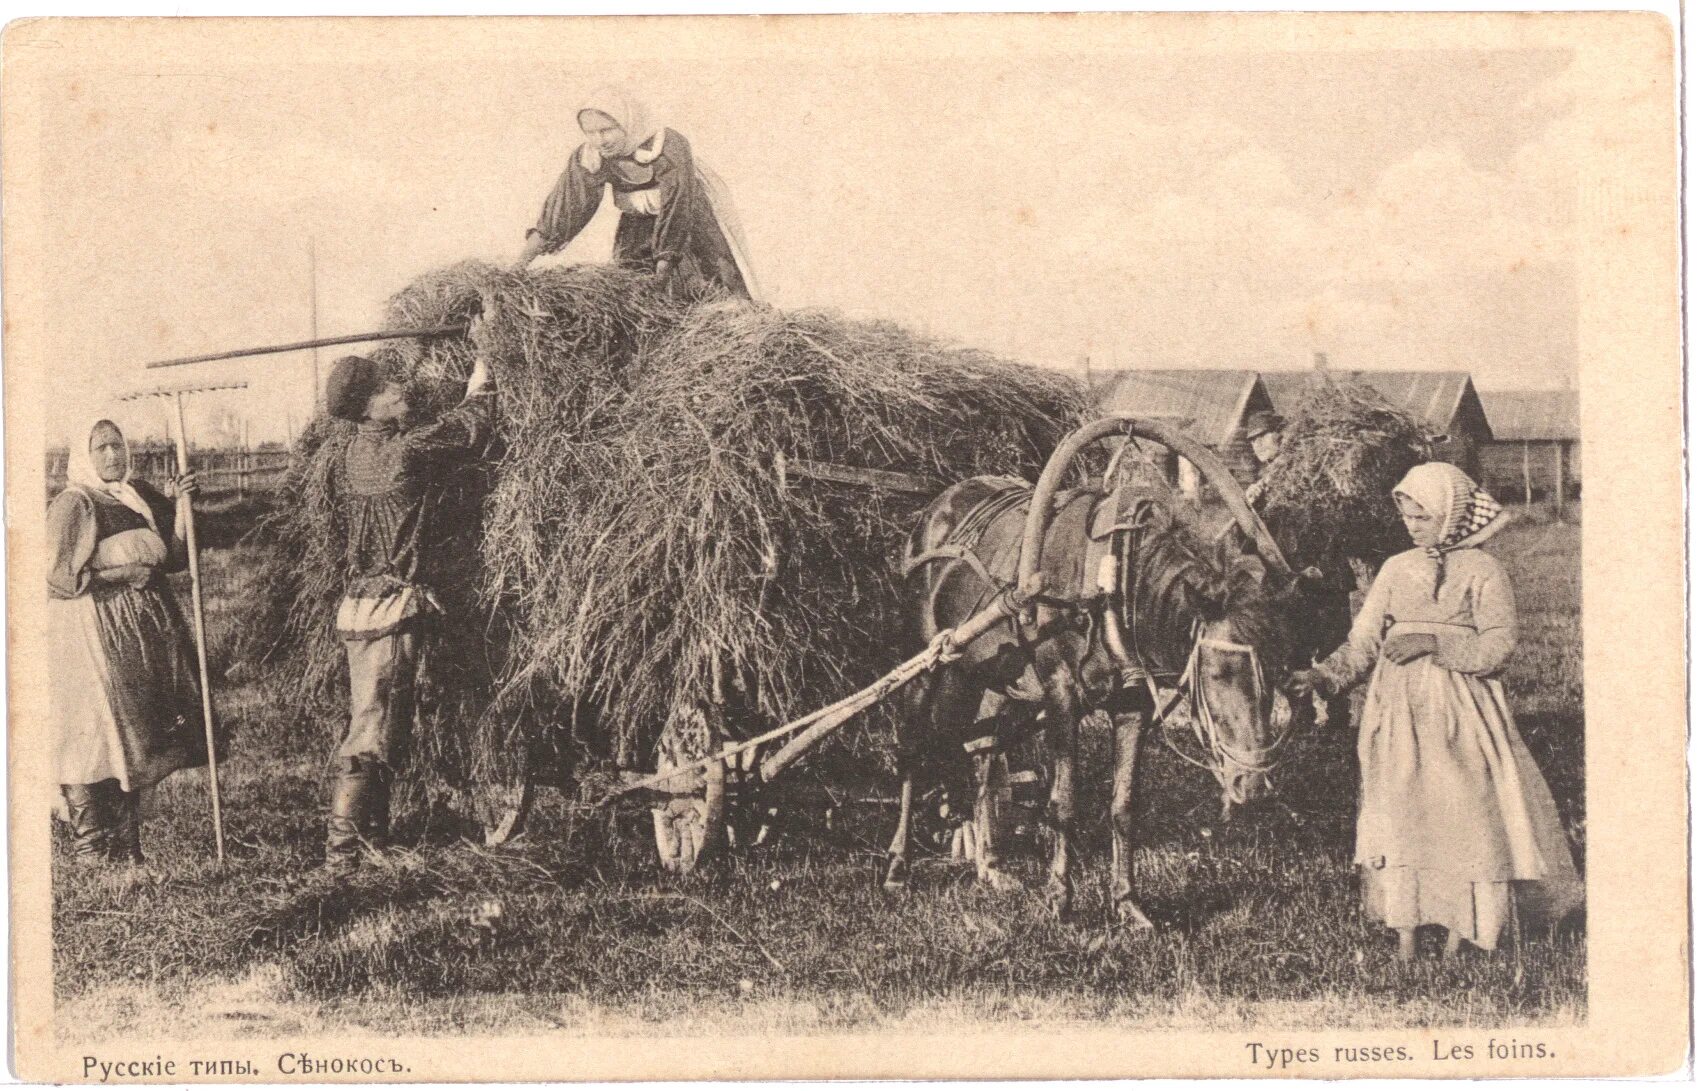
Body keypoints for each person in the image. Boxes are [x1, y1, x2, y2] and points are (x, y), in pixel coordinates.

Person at [1288, 463, 1582, 960]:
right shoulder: (1396, 568)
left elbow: (1499, 642)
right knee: (1405, 807)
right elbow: (1363, 640)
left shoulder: (1484, 571)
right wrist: (1324, 677)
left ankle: (1464, 928)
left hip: (1461, 708)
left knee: (1465, 808)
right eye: (1406, 516)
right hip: (1398, 710)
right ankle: (1407, 925)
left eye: (1422, 516)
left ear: (1451, 514)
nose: (1412, 525)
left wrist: (1433, 641)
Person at [320, 307, 499, 874]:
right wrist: (486, 358)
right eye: (388, 387)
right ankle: (341, 857)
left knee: (382, 720)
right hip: (392, 609)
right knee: (372, 725)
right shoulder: (406, 452)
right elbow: (471, 425)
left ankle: (370, 843)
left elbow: (412, 403)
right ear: (370, 404)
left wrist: (421, 349)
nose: (402, 391)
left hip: (360, 607)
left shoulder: (353, 452)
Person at [48, 416, 207, 864]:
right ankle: (91, 845)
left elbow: (173, 560)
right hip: (90, 632)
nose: (112, 456)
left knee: (137, 730)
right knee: (94, 733)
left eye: (117, 446)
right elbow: (56, 577)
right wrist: (125, 574)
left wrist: (182, 507)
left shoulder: (137, 498)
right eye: (100, 448)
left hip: (141, 632)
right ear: (85, 455)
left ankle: (126, 844)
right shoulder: (74, 503)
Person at [516, 86, 760, 300]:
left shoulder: (667, 146)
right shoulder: (590, 157)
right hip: (636, 225)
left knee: (714, 284)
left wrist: (662, 275)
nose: (599, 140)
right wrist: (518, 268)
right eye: (591, 132)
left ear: (626, 123)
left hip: (690, 221)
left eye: (607, 129)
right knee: (632, 286)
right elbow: (563, 210)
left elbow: (676, 207)